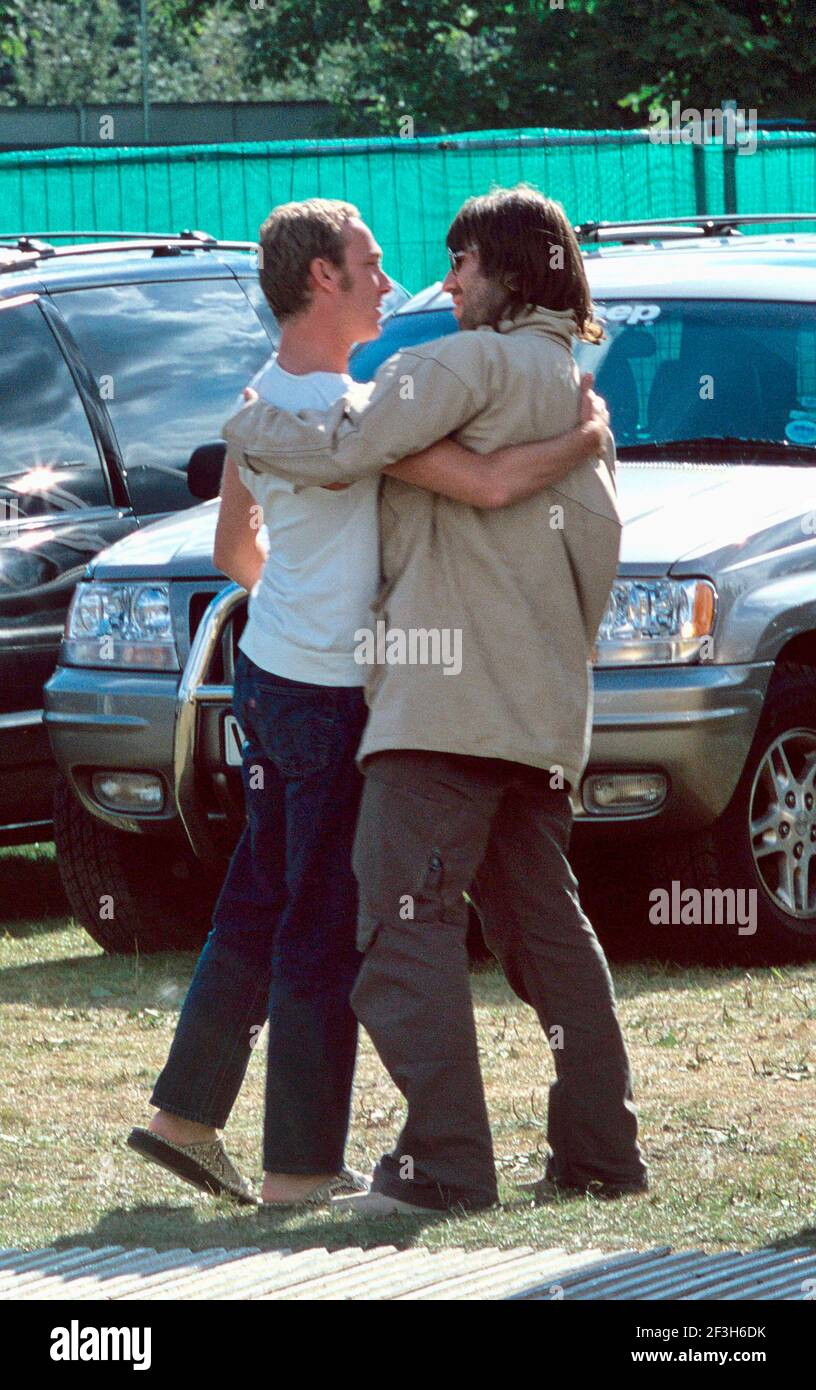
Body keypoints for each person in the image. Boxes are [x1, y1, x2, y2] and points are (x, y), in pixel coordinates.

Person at [128, 196, 609, 1208]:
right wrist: (578, 445)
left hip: (274, 673)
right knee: (323, 921)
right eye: (374, 262)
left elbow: (231, 553)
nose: (396, 281)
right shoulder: (331, 414)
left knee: (262, 898)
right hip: (329, 691)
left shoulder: (289, 396)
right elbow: (481, 484)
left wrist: (296, 609)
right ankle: (300, 1171)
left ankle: (183, 1114)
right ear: (323, 279)